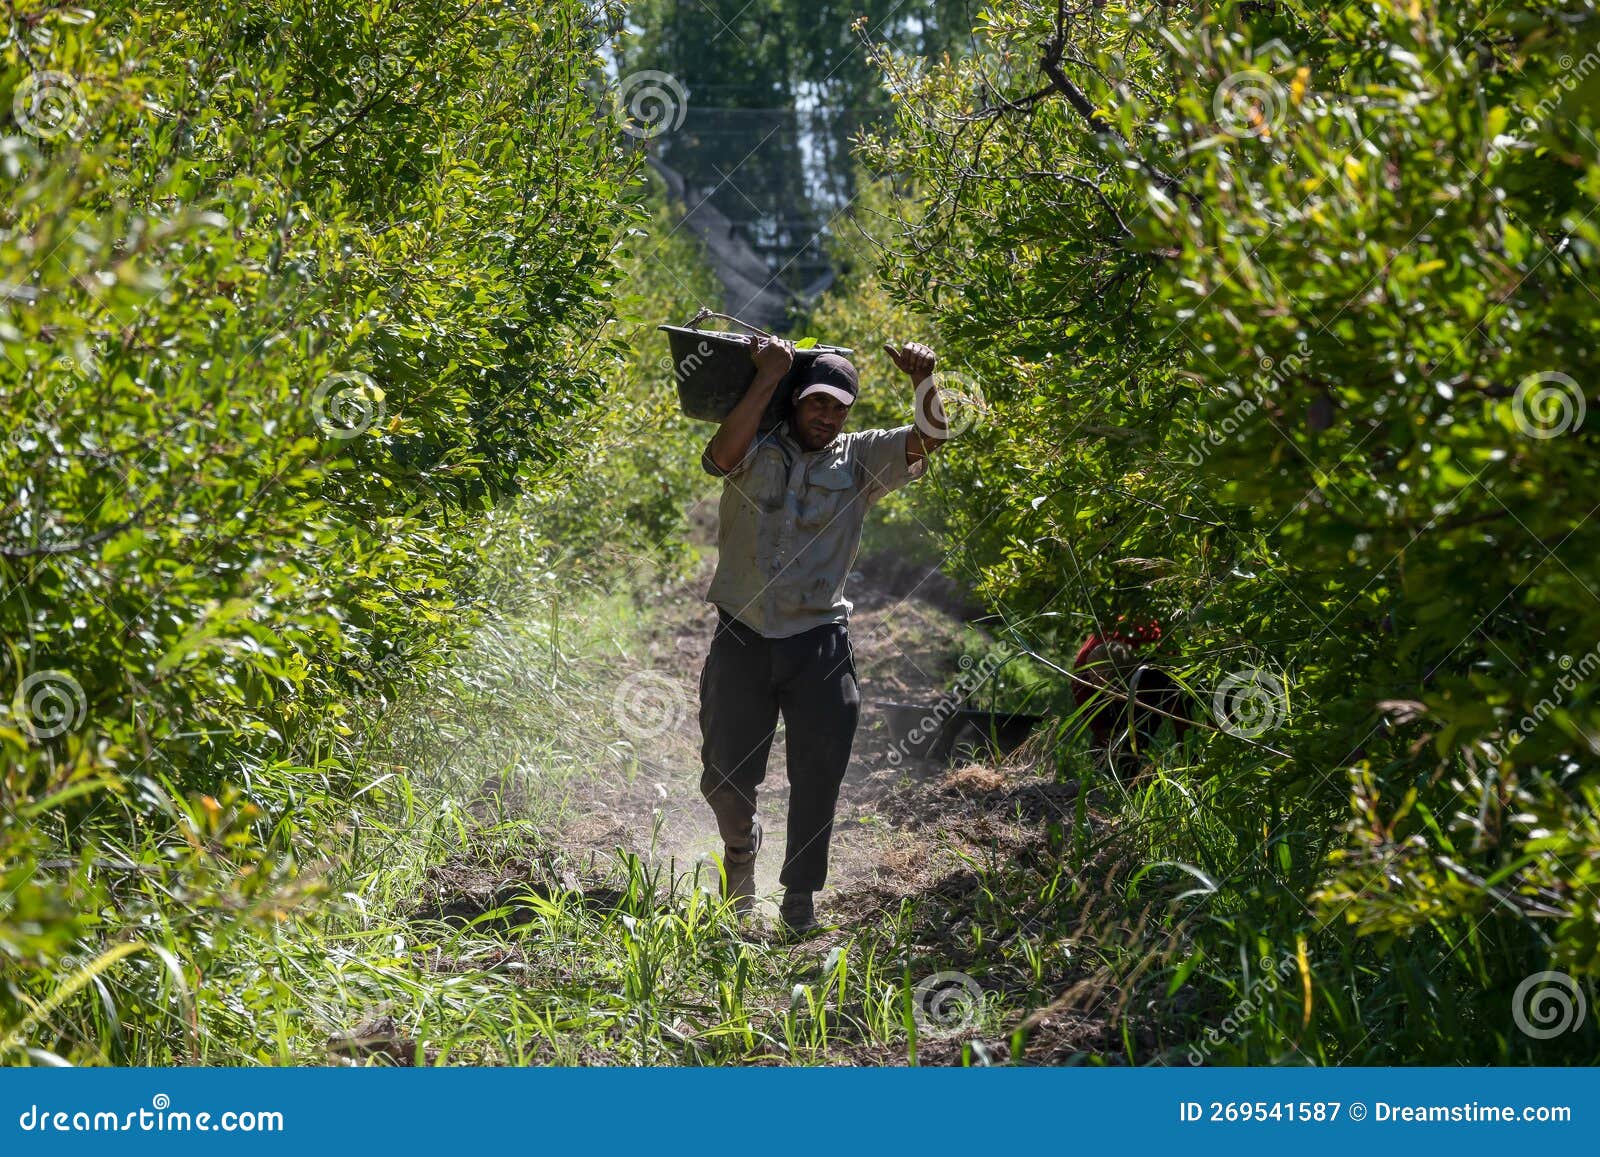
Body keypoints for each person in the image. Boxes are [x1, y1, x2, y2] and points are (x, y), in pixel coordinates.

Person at [698, 334, 951, 933]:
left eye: (839, 407)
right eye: (817, 403)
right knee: (723, 776)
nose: (827, 416)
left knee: (819, 773)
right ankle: (740, 851)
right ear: (794, 403)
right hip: (742, 635)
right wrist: (771, 373)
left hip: (819, 642)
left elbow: (932, 437)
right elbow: (716, 459)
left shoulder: (860, 460)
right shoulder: (754, 443)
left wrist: (925, 383)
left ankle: (798, 898)